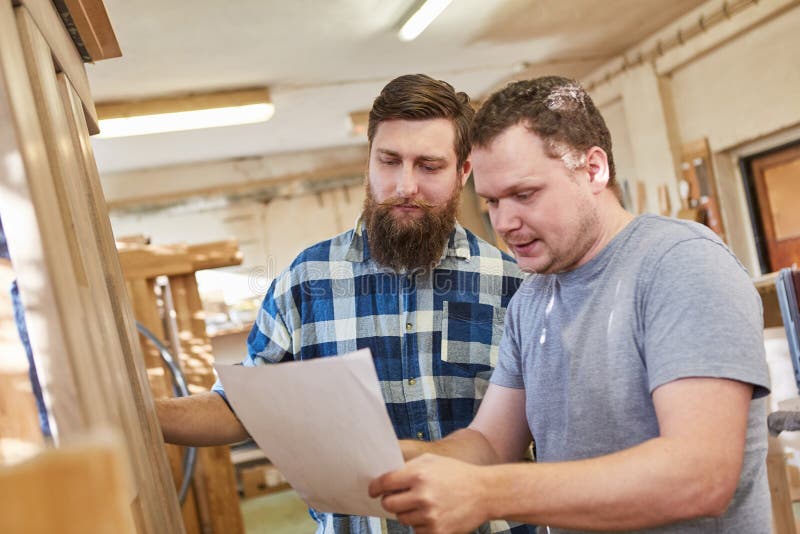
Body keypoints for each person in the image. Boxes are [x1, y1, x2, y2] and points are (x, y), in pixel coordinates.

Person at [369, 76, 772, 533]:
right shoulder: (532, 298)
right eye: (492, 203)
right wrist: (401, 460)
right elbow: (488, 444)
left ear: (593, 169)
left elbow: (700, 476)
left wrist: (486, 493)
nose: (505, 223)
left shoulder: (680, 265)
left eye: (524, 195)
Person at [156, 74, 535, 534]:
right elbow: (242, 407)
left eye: (429, 166)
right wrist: (144, 414)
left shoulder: (514, 284)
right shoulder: (305, 281)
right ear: (369, 159)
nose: (405, 185)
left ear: (464, 171)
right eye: (389, 161)